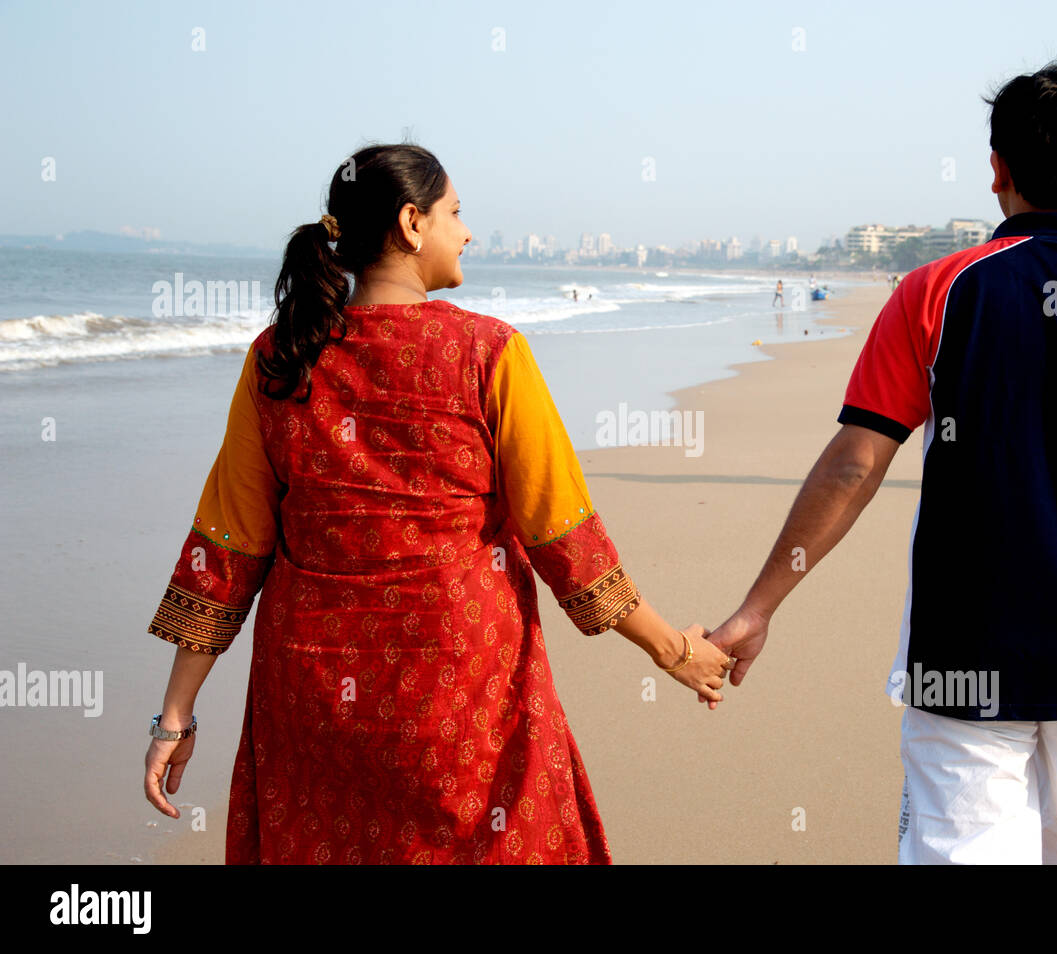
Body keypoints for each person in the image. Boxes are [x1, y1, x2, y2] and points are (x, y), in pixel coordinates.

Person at [709, 62, 1057, 865]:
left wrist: (757, 607)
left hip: (966, 660)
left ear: (997, 169)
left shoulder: (939, 291)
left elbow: (856, 465)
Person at [142, 144, 731, 864]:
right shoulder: (490, 352)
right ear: (412, 223)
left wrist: (175, 715)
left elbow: (230, 547)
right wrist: (674, 651)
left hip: (314, 692)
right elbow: (563, 539)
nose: (468, 231)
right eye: (457, 213)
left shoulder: (280, 355)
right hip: (463, 691)